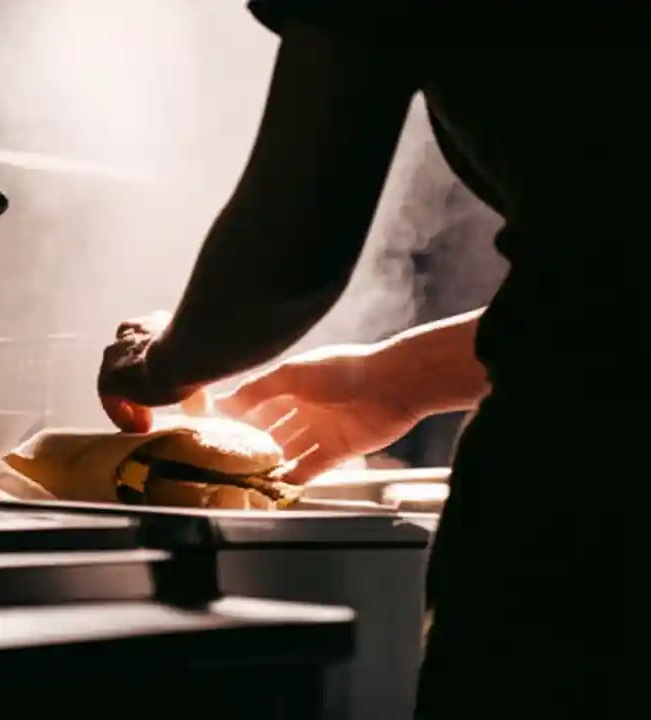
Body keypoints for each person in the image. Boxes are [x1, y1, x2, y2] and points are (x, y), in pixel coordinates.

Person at [97, 2, 644, 717]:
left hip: (596, 500)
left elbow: (290, 257)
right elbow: (616, 274)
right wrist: (392, 381)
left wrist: (158, 363)